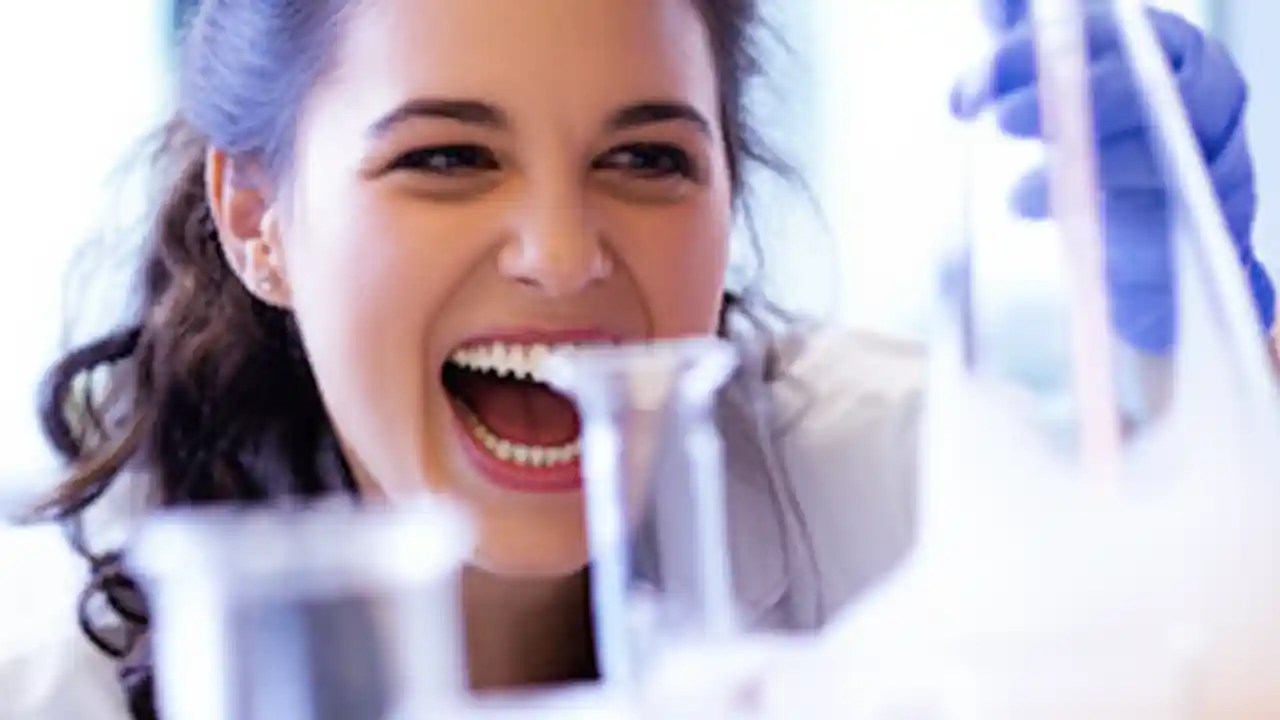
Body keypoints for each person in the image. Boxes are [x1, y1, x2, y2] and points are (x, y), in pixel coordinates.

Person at [4, 1, 1274, 717]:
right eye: (445, 158)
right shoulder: (54, 681)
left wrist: (1223, 371)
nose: (562, 253)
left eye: (647, 159)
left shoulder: (887, 482)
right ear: (255, 219)